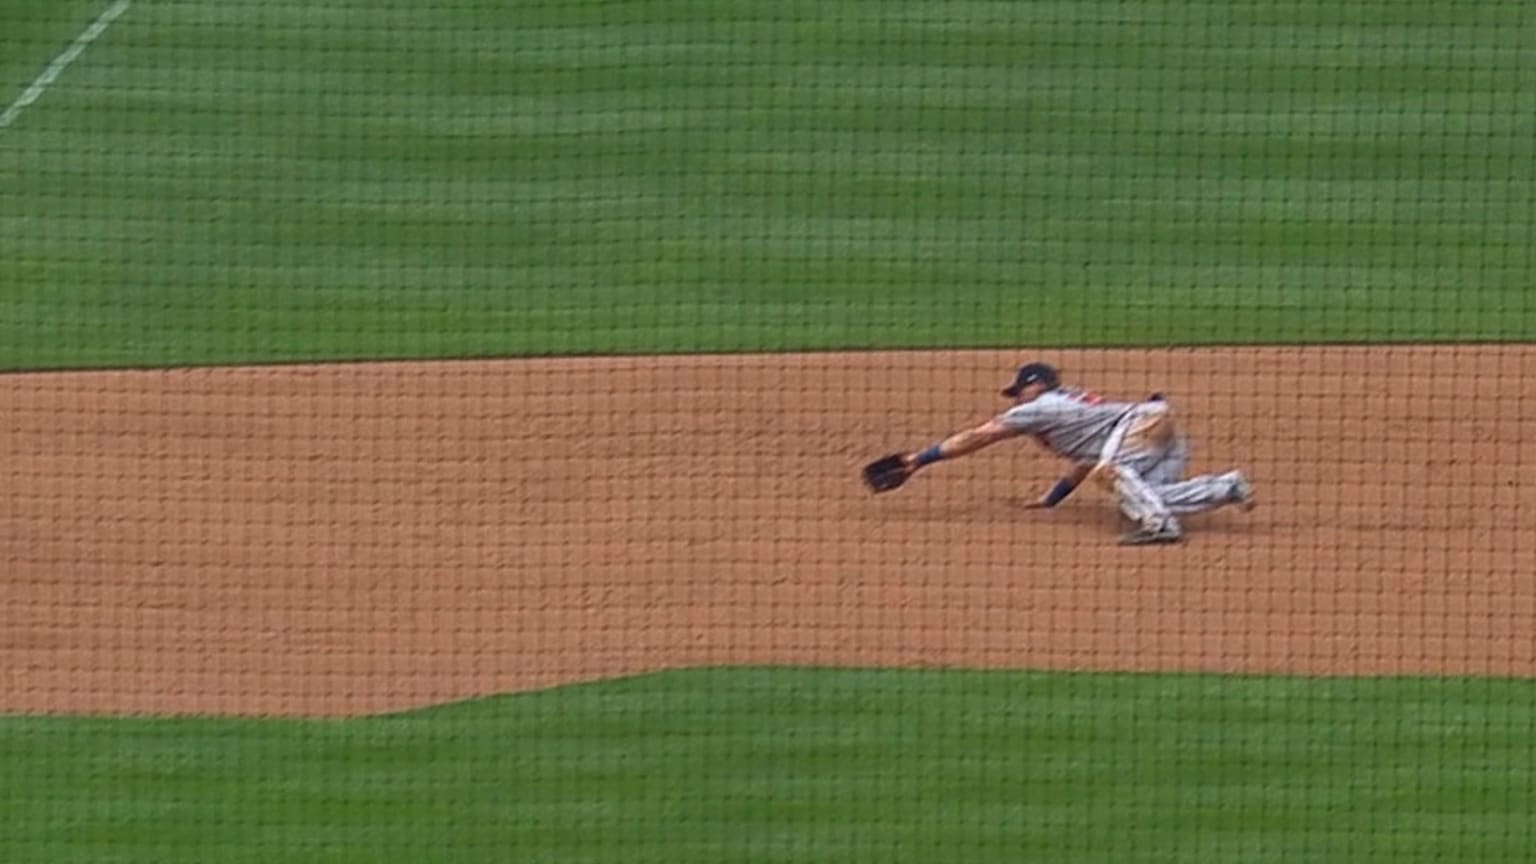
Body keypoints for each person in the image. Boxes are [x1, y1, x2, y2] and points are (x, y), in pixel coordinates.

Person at [895, 361, 1256, 545]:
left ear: (1035, 385)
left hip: (1142, 424)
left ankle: (1160, 527)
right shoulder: (1065, 406)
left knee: (1112, 473)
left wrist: (920, 459)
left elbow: (979, 437)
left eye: (1019, 390)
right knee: (1143, 494)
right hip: (1159, 431)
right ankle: (1226, 487)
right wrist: (1054, 497)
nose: (1016, 398)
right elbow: (1087, 460)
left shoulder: (1040, 407)